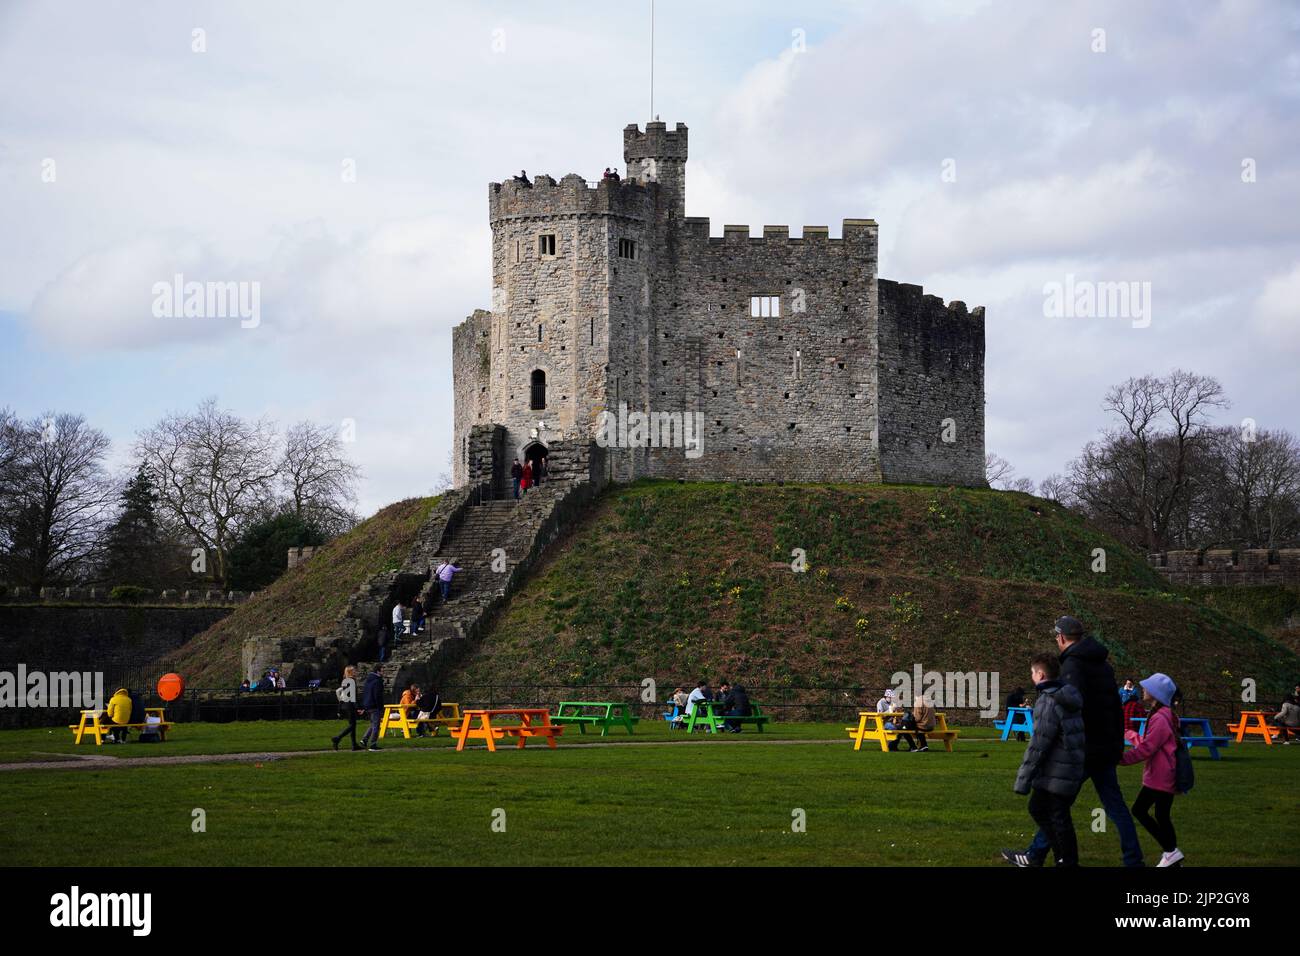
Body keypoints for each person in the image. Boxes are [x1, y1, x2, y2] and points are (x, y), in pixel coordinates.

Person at [1003, 615, 1143, 868]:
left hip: (1083, 749)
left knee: (1054, 806)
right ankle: (1134, 860)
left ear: (1061, 637)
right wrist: (1116, 744)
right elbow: (1114, 708)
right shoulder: (1103, 666)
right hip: (1106, 746)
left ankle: (1041, 856)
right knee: (1114, 806)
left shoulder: (1071, 667)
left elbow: (1070, 708)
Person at [1013, 653, 1086, 867]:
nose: (1032, 677)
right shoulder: (1067, 695)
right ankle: (1062, 858)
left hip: (1057, 768)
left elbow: (1039, 743)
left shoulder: (1048, 700)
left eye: (1033, 673)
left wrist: (1023, 779)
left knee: (1053, 815)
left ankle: (1066, 860)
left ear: (1041, 674)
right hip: (1068, 764)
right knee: (1047, 811)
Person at [1120, 673, 1186, 866]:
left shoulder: (1159, 718)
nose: (1144, 689)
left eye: (1147, 687)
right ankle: (1172, 857)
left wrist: (1121, 759)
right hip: (1166, 772)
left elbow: (1148, 748)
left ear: (1157, 693)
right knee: (1161, 815)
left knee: (1139, 810)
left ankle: (1171, 851)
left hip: (1160, 774)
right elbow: (1152, 744)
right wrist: (1132, 735)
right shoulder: (1165, 714)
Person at [332, 666, 362, 751]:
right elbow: (352, 696)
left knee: (352, 725)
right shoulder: (351, 681)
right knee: (352, 725)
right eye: (354, 671)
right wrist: (357, 707)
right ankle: (337, 738)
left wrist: (339, 708)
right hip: (350, 705)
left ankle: (354, 744)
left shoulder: (345, 681)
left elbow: (343, 695)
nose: (356, 672)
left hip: (345, 704)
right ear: (350, 672)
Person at [359, 666, 385, 751]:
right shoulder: (377, 681)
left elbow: (366, 693)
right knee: (376, 726)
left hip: (368, 704)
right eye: (382, 671)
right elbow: (377, 695)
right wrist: (380, 707)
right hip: (374, 705)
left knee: (373, 723)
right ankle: (373, 744)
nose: (383, 672)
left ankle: (364, 740)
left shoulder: (369, 680)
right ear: (378, 671)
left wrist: (364, 706)